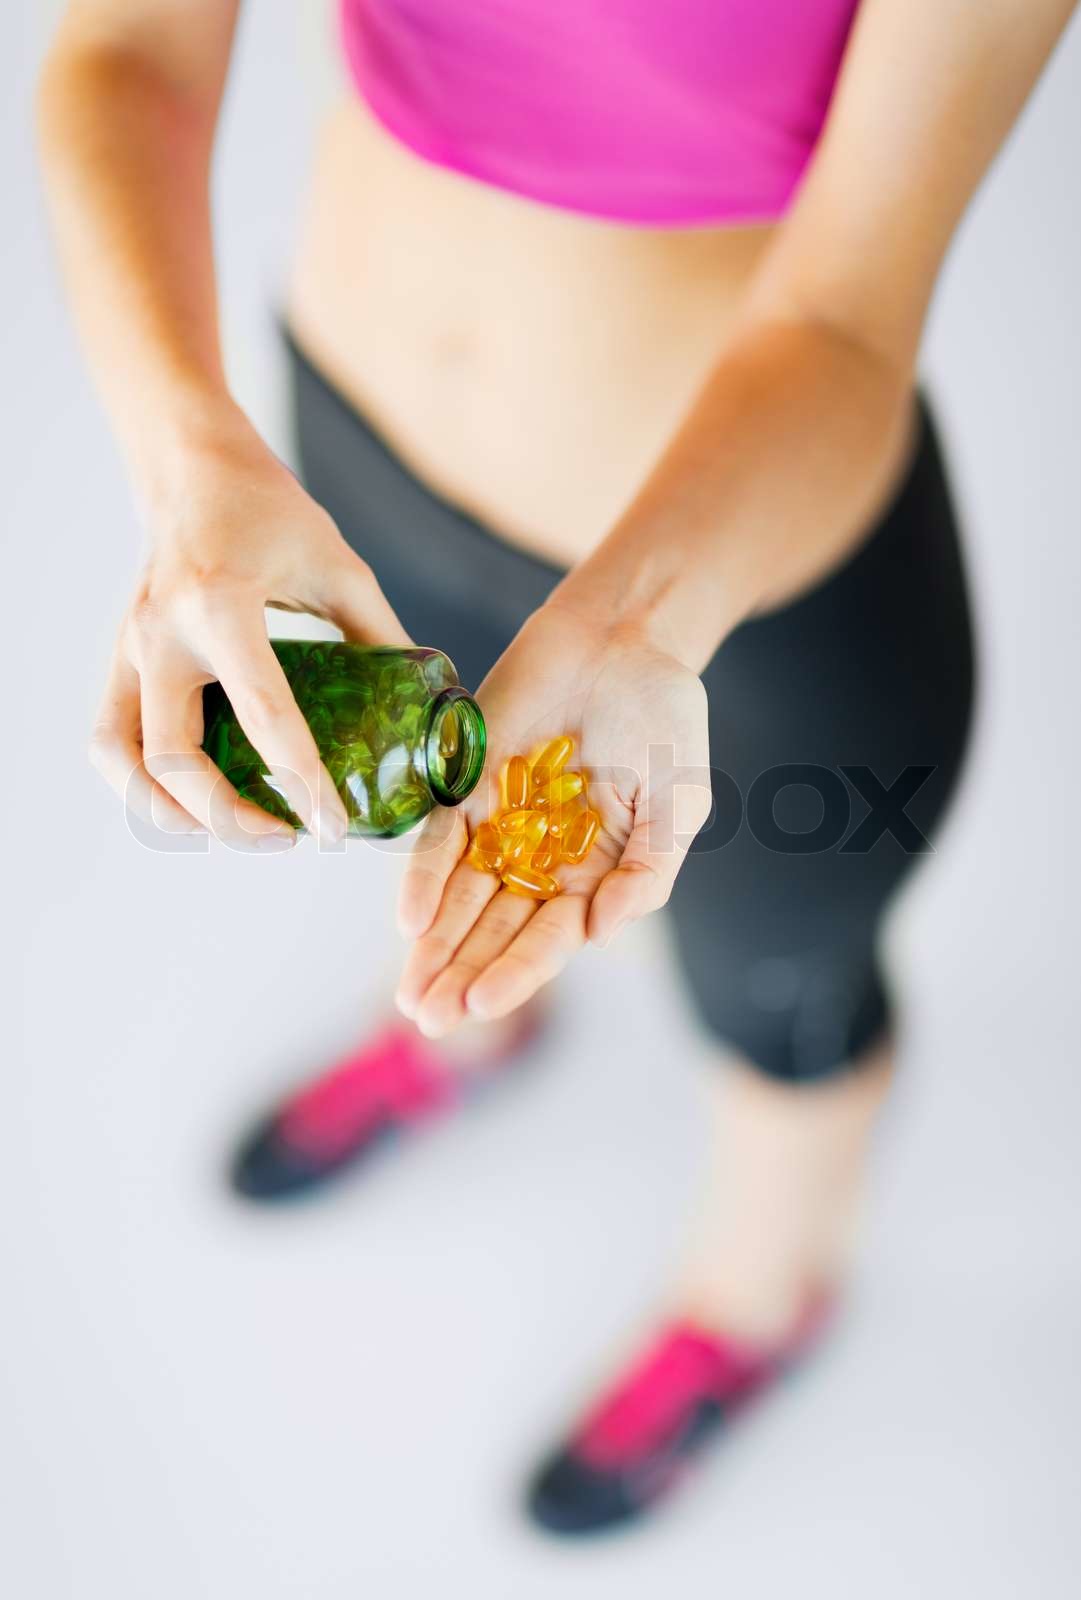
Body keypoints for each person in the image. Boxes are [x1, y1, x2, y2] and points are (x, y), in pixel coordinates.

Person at [37, 0, 1076, 1536]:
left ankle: (753, 1297)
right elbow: (128, 49)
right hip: (348, 470)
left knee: (777, 1003)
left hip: (743, 604)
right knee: (457, 877)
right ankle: (468, 1034)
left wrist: (634, 617)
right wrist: (190, 460)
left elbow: (847, 317)